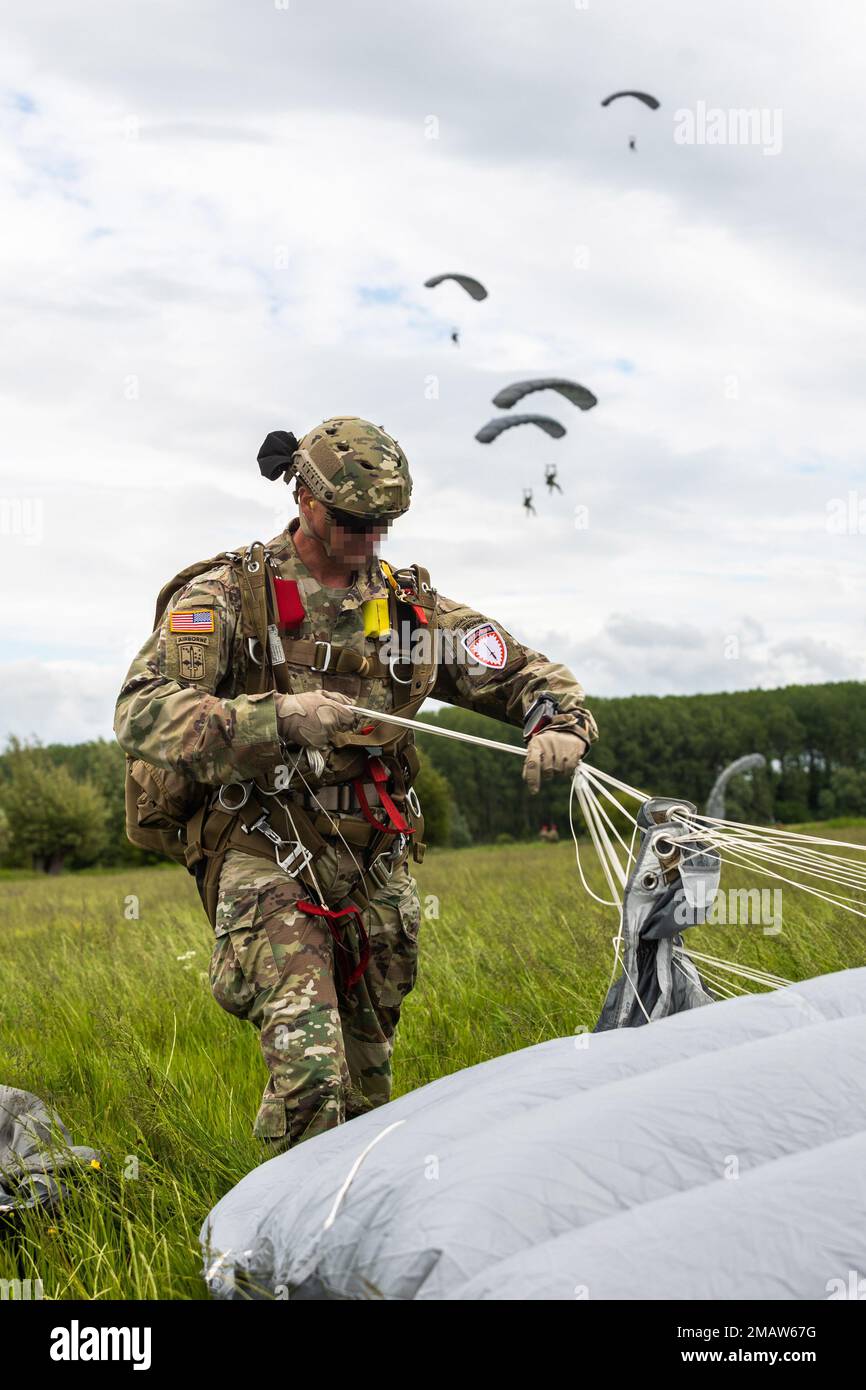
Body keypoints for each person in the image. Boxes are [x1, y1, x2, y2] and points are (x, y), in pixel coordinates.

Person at [115, 417, 598, 1150]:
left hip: (374, 853)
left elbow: (519, 671)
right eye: (351, 523)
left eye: (382, 525)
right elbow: (141, 713)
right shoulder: (226, 597)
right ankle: (282, 1251)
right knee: (313, 1079)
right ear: (304, 495)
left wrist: (558, 721)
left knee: (370, 1083)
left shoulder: (409, 611)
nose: (368, 541)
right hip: (263, 843)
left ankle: (366, 1225)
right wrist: (274, 718)